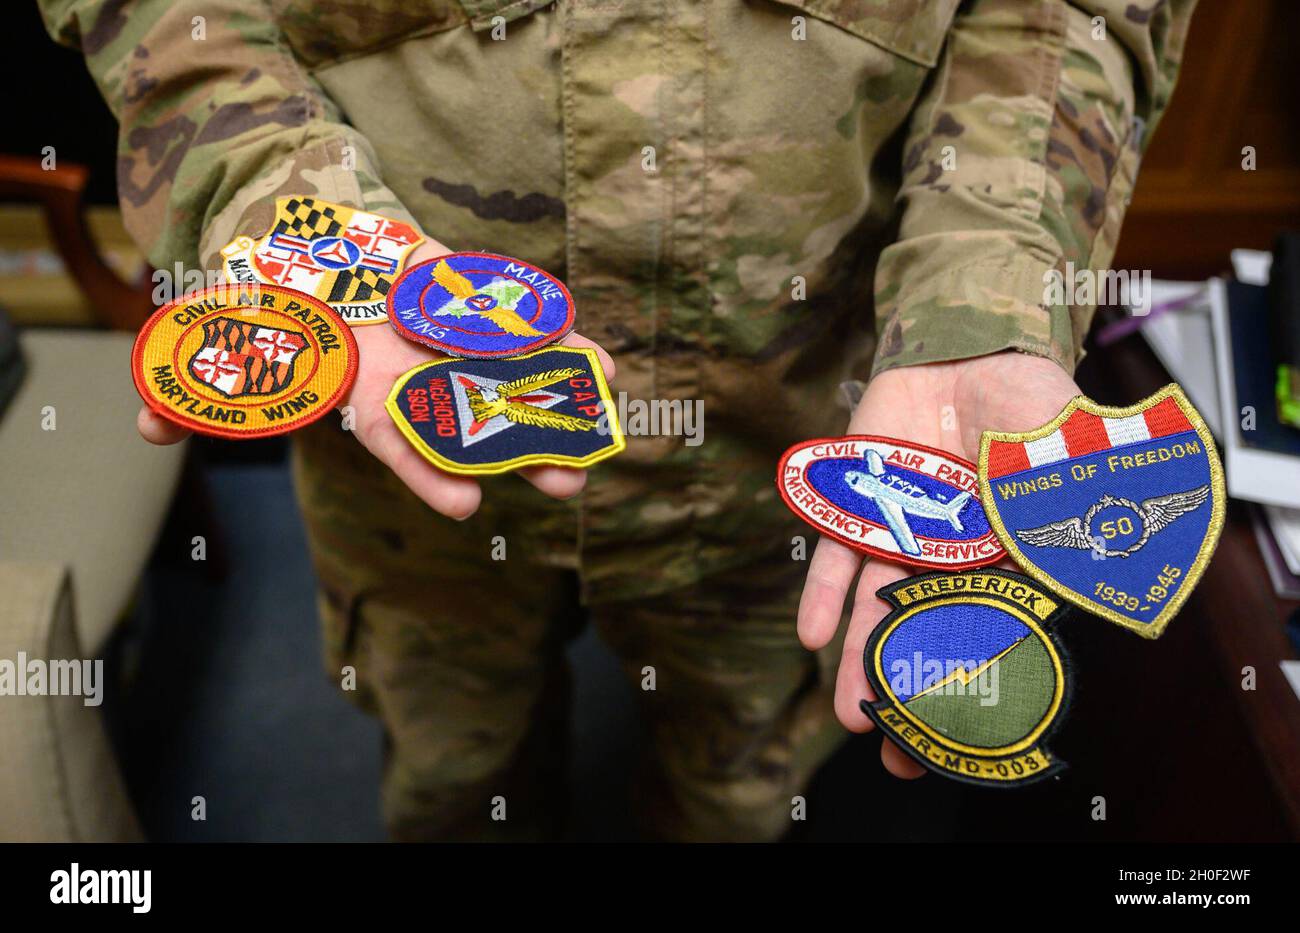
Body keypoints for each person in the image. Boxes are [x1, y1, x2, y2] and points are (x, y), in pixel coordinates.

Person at [40, 0, 1194, 841]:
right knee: (454, 786)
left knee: (733, 798)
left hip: (795, 436)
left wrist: (985, 300)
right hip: (397, 427)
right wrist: (290, 214)